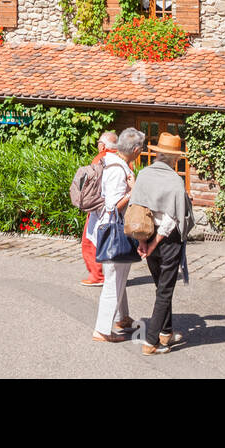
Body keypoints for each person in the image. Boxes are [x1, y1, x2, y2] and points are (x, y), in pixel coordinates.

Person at [131, 132, 195, 355]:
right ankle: (151, 342)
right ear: (175, 158)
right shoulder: (174, 180)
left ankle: (165, 332)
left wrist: (143, 241)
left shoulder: (144, 174)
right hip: (167, 240)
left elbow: (137, 207)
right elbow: (172, 217)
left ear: (158, 153)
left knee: (161, 287)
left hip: (145, 232)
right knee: (165, 291)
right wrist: (155, 242)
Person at [89, 128, 140, 343]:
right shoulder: (119, 170)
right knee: (114, 279)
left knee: (120, 273)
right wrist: (132, 191)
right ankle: (102, 330)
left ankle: (122, 318)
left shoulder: (107, 161)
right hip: (113, 229)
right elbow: (113, 205)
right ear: (136, 150)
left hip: (100, 226)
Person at [81, 131, 118, 287]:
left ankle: (97, 276)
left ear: (102, 145)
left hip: (99, 207)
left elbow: (91, 184)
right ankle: (111, 274)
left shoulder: (100, 158)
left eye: (98, 143)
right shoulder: (122, 159)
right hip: (117, 207)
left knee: (90, 240)